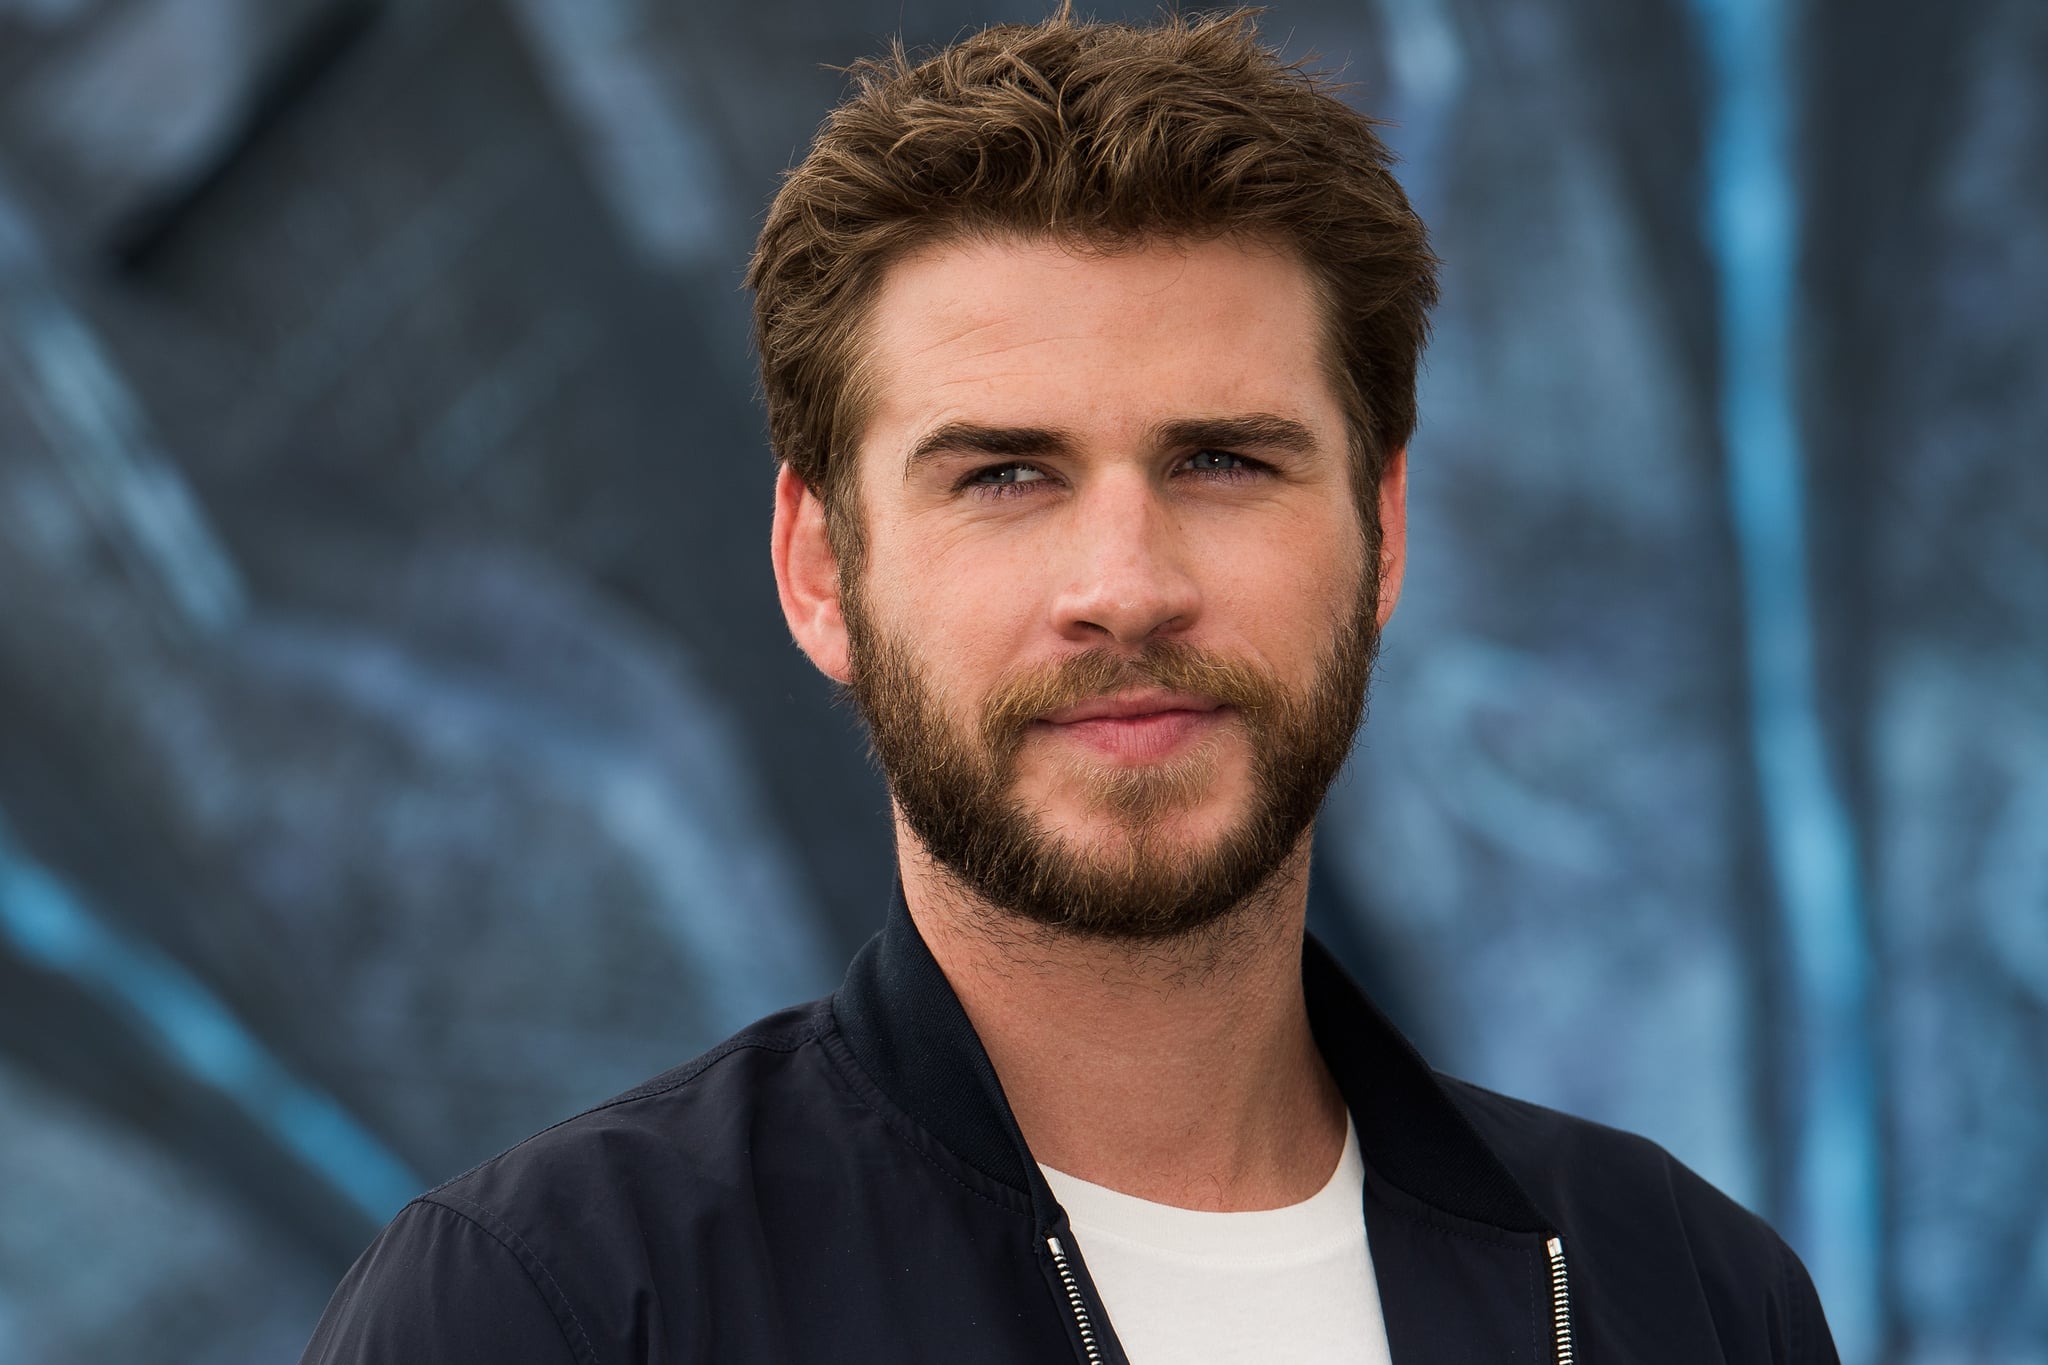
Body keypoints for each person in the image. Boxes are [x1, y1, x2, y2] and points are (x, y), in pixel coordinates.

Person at [300, 10, 1838, 1363]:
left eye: (1223, 460)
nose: (1126, 585)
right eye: (1008, 474)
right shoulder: (552, 1307)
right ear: (823, 569)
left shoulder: (1683, 1291)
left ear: (1381, 533)